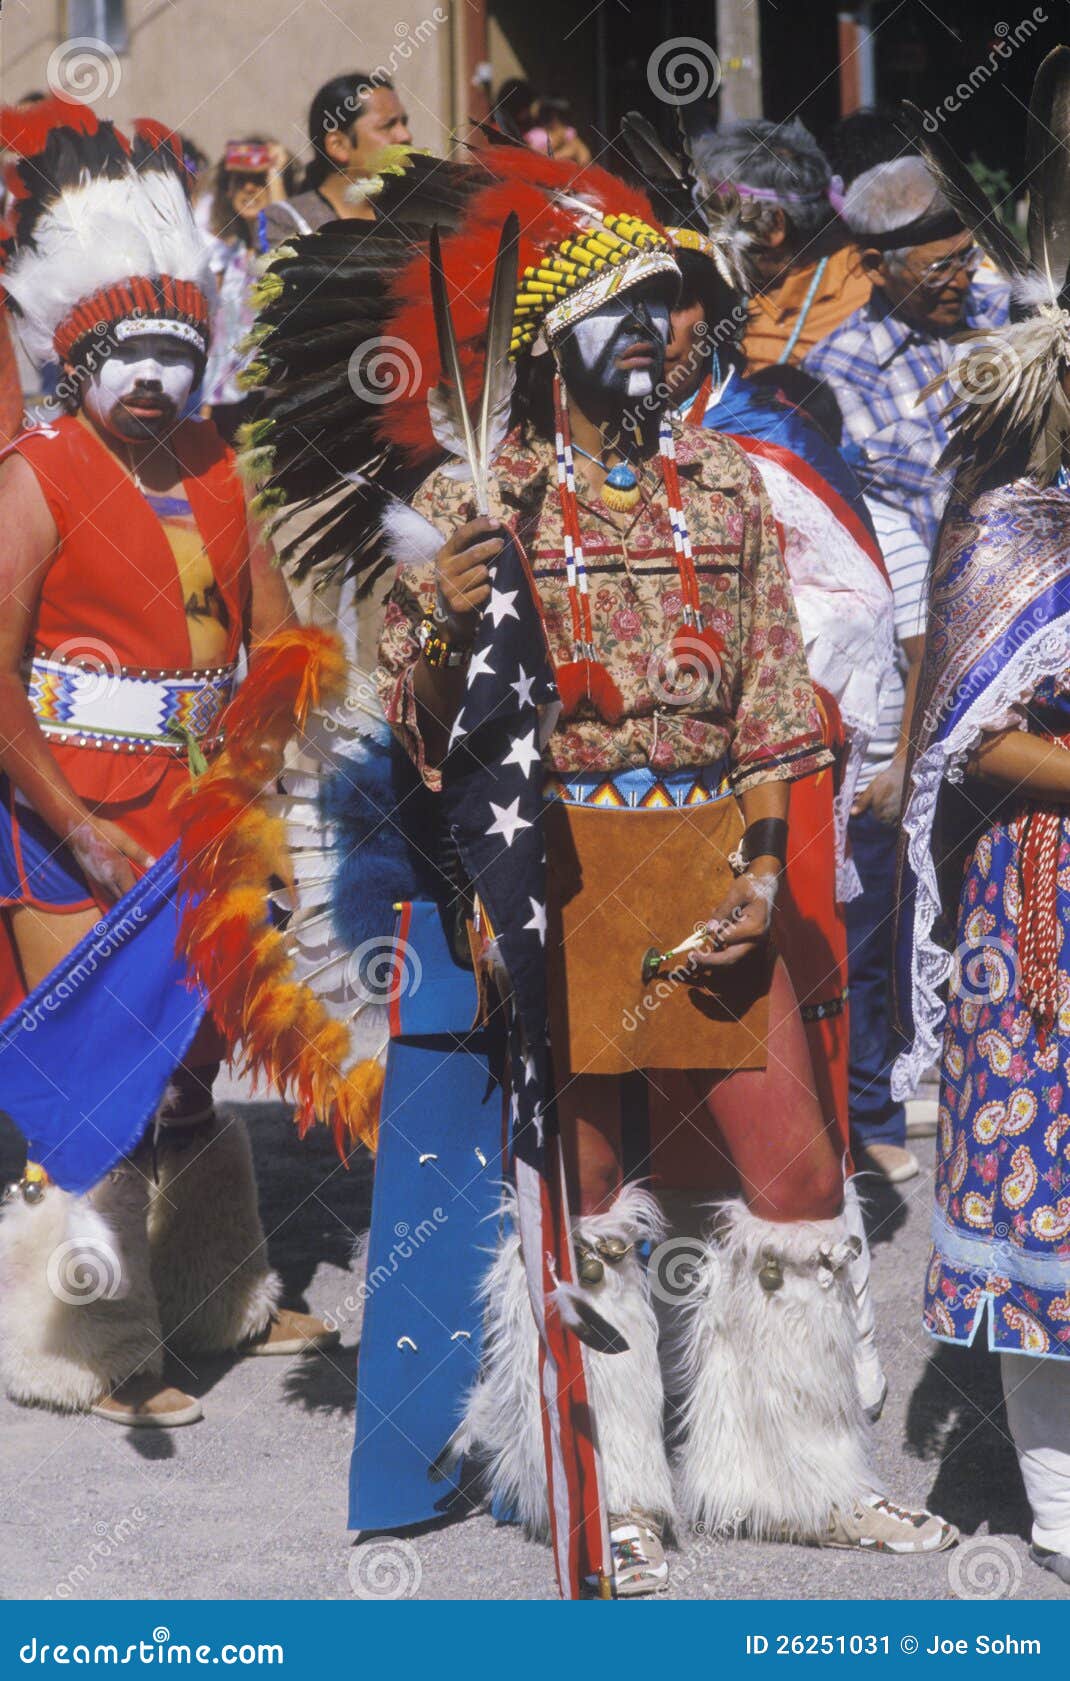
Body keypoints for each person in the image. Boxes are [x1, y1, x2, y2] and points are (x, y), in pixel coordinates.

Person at [197, 141, 955, 1595]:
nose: (661, 332)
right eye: (630, 307)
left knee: (791, 1168)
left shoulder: (728, 488)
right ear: (555, 350)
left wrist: (752, 872)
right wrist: (442, 606)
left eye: (676, 305)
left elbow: (772, 701)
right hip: (561, 870)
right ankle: (604, 1490)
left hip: (704, 863)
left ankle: (796, 1475)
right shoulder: (493, 509)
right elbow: (428, 734)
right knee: (585, 1192)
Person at [0, 95, 335, 1431]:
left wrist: (270, 795)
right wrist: (74, 823)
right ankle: (89, 1339)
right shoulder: (33, 472)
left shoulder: (217, 469)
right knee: (103, 1078)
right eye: (122, 355)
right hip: (65, 805)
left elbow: (264, 648)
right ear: (73, 358)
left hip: (198, 810)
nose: (150, 379)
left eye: (173, 354)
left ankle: (217, 1297)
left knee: (194, 1067)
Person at [661, 230, 896, 1416]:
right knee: (651, 1050)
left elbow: (853, 596)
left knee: (788, 1026)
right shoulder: (556, 454)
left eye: (672, 306)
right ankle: (675, 1353)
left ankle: (810, 1361)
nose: (649, 334)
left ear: (708, 318)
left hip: (774, 770)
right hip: (627, 791)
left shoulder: (769, 432)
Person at [893, 48, 1070, 1588]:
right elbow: (969, 742)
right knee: (1043, 1193)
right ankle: (1059, 1502)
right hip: (1043, 909)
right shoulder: (1011, 526)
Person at [803, 154, 1009, 558]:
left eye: (967, 257)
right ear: (875, 266)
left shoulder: (1007, 315)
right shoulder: (836, 371)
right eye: (938, 269)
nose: (962, 280)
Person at [845, 497, 927, 1183]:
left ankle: (873, 1122)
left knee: (867, 964)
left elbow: (924, 657)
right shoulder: (758, 509)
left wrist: (902, 765)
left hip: (868, 793)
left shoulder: (888, 528)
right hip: (782, 785)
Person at [687, 117, 871, 370]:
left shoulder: (867, 298)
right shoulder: (720, 290)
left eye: (719, 219)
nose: (710, 238)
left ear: (774, 226)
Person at [201, 136, 294, 440]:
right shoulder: (230, 255)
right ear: (227, 190)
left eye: (260, 180)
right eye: (240, 181)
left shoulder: (288, 248)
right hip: (224, 400)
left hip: (268, 395)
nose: (251, 189)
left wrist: (277, 175)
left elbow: (282, 250)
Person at [261, 72, 412, 243]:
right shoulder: (285, 222)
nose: (405, 136)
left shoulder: (420, 217)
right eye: (387, 125)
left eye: (404, 123)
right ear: (338, 145)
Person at [524, 96, 592, 165]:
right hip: (541, 164)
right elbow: (532, 154)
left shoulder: (567, 132)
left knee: (574, 148)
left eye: (556, 114)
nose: (554, 117)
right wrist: (557, 143)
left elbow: (584, 156)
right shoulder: (534, 134)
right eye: (548, 113)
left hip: (564, 167)